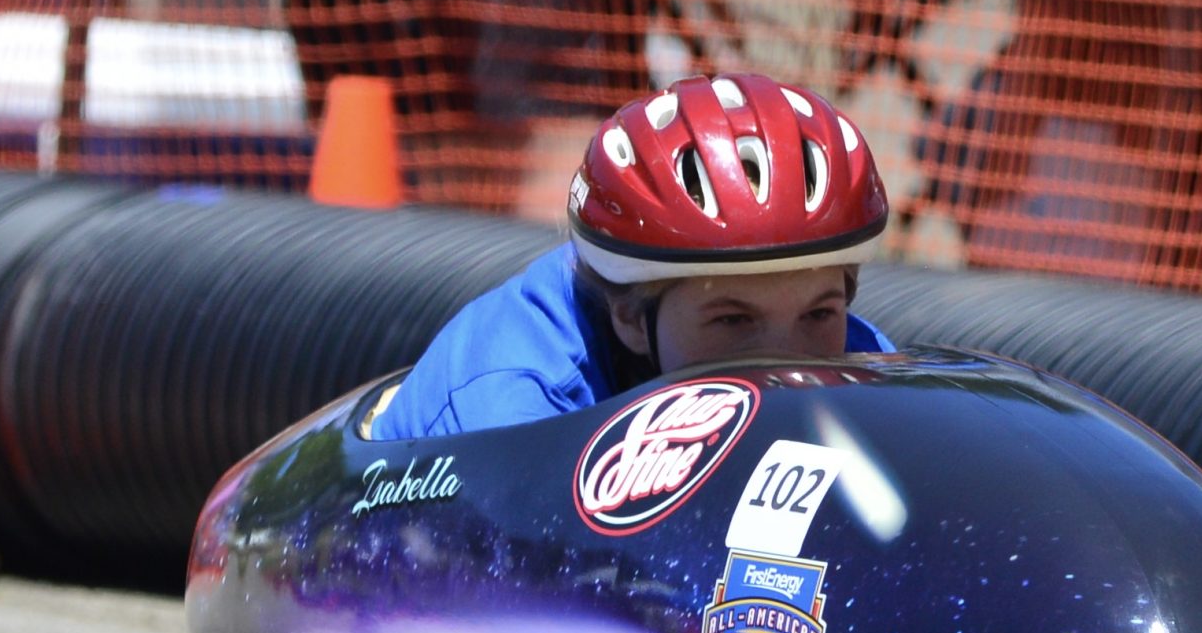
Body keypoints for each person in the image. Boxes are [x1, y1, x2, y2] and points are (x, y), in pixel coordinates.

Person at [367, 70, 897, 439]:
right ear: (628, 314)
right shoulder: (516, 406)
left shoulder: (850, 352)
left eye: (818, 313)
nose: (788, 365)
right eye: (733, 320)